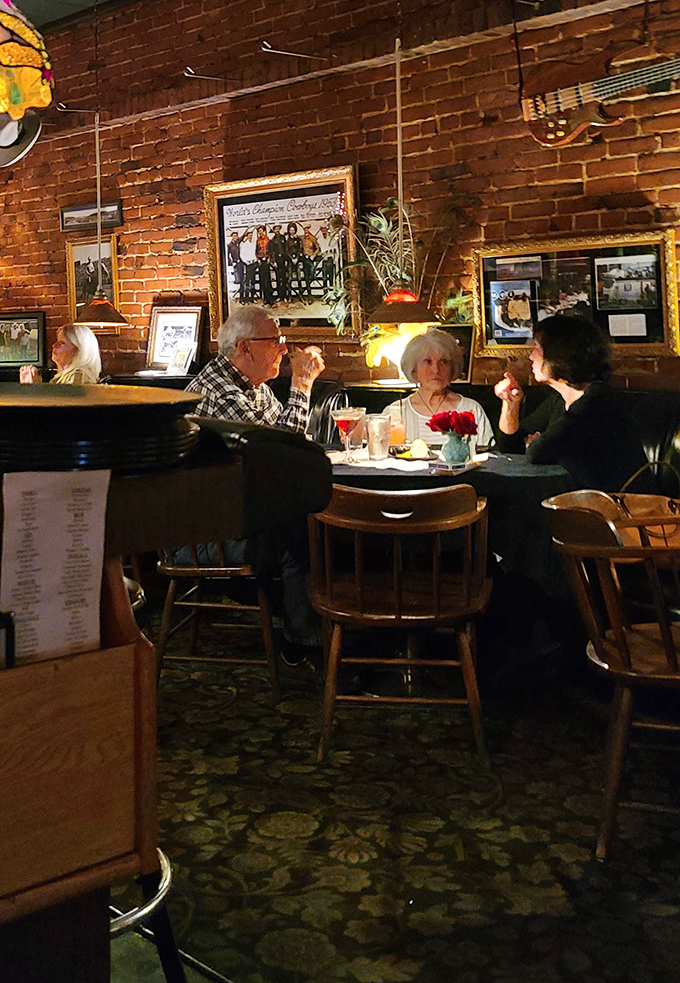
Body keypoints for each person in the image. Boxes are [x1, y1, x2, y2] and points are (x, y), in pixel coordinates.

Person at [186, 305, 325, 664]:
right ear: (245, 348)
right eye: (275, 341)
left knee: (312, 524)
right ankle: (303, 643)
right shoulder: (216, 391)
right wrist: (302, 385)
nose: (283, 348)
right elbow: (283, 453)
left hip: (238, 516)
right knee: (304, 535)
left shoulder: (254, 387)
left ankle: (320, 633)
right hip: (208, 534)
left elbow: (283, 442)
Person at [494, 313, 651, 491]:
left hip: (627, 510)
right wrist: (511, 404)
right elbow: (510, 446)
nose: (531, 356)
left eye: (537, 348)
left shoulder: (597, 401)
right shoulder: (559, 400)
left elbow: (537, 452)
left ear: (559, 355)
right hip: (587, 504)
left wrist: (532, 443)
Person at [386, 328, 493, 452]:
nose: (436, 370)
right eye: (428, 362)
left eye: (443, 362)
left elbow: (490, 458)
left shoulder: (471, 410)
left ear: (452, 369)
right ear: (414, 370)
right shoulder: (395, 413)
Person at [19, 324, 102, 385]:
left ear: (77, 351)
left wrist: (34, 388)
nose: (54, 345)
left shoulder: (78, 378)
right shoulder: (62, 378)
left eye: (62, 343)